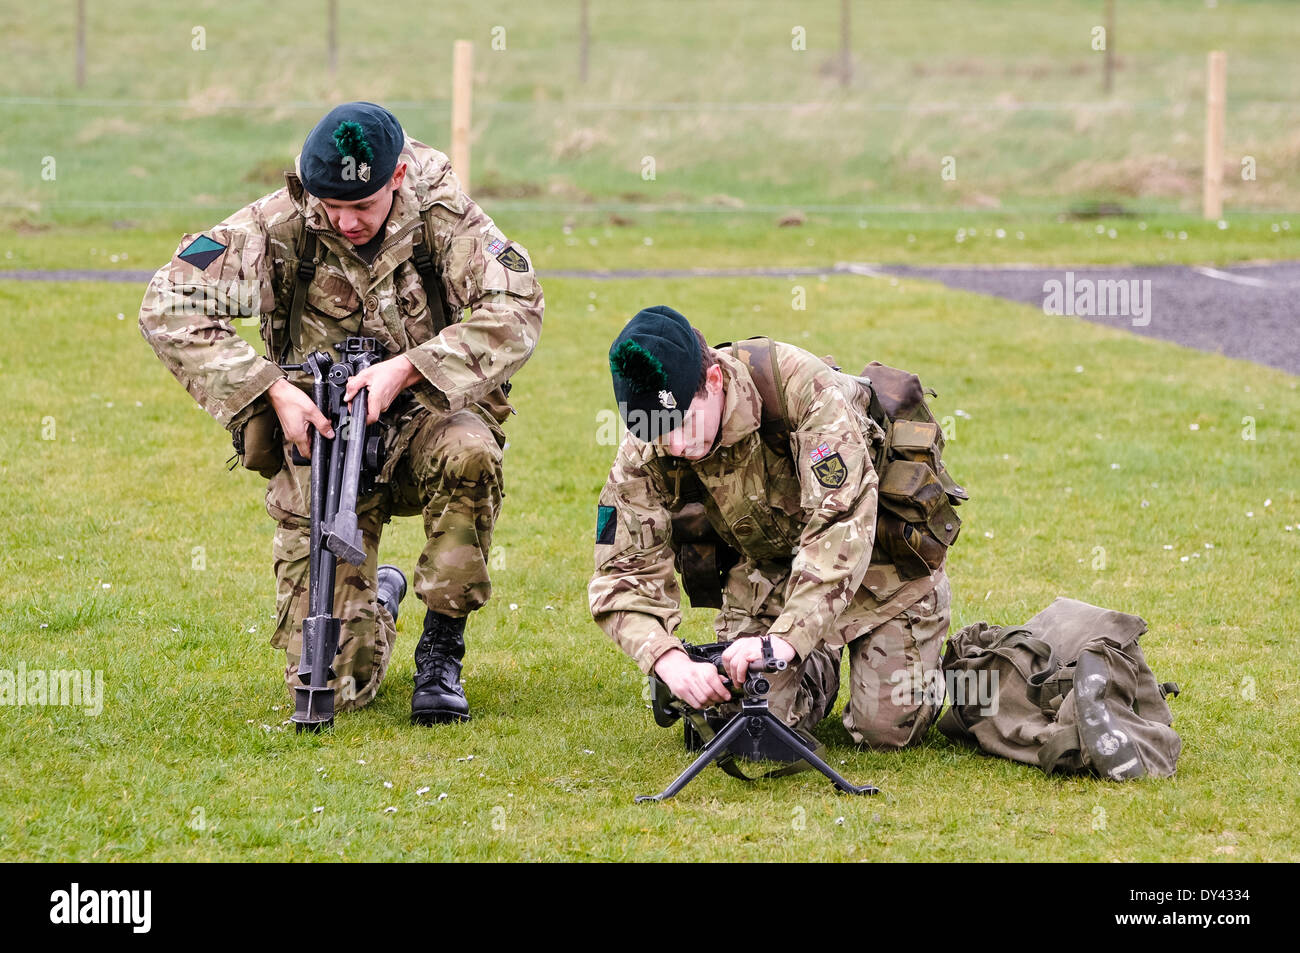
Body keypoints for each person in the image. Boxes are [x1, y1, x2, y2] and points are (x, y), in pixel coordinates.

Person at [139, 102, 543, 724]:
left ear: (399, 178)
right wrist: (272, 389)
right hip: (321, 435)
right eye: (333, 205)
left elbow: (516, 309)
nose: (346, 221)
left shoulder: (442, 214)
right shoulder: (279, 226)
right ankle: (379, 600)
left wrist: (409, 368)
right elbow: (168, 303)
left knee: (471, 449)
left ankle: (442, 646)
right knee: (337, 682)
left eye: (363, 206)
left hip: (422, 423)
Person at [588, 306, 951, 747]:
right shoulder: (649, 441)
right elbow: (621, 570)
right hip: (768, 567)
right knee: (747, 730)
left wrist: (784, 641)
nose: (676, 445)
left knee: (888, 731)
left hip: (876, 557)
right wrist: (666, 659)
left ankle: (975, 659)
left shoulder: (803, 388)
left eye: (684, 422)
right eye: (660, 433)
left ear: (715, 382)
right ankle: (816, 656)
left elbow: (841, 525)